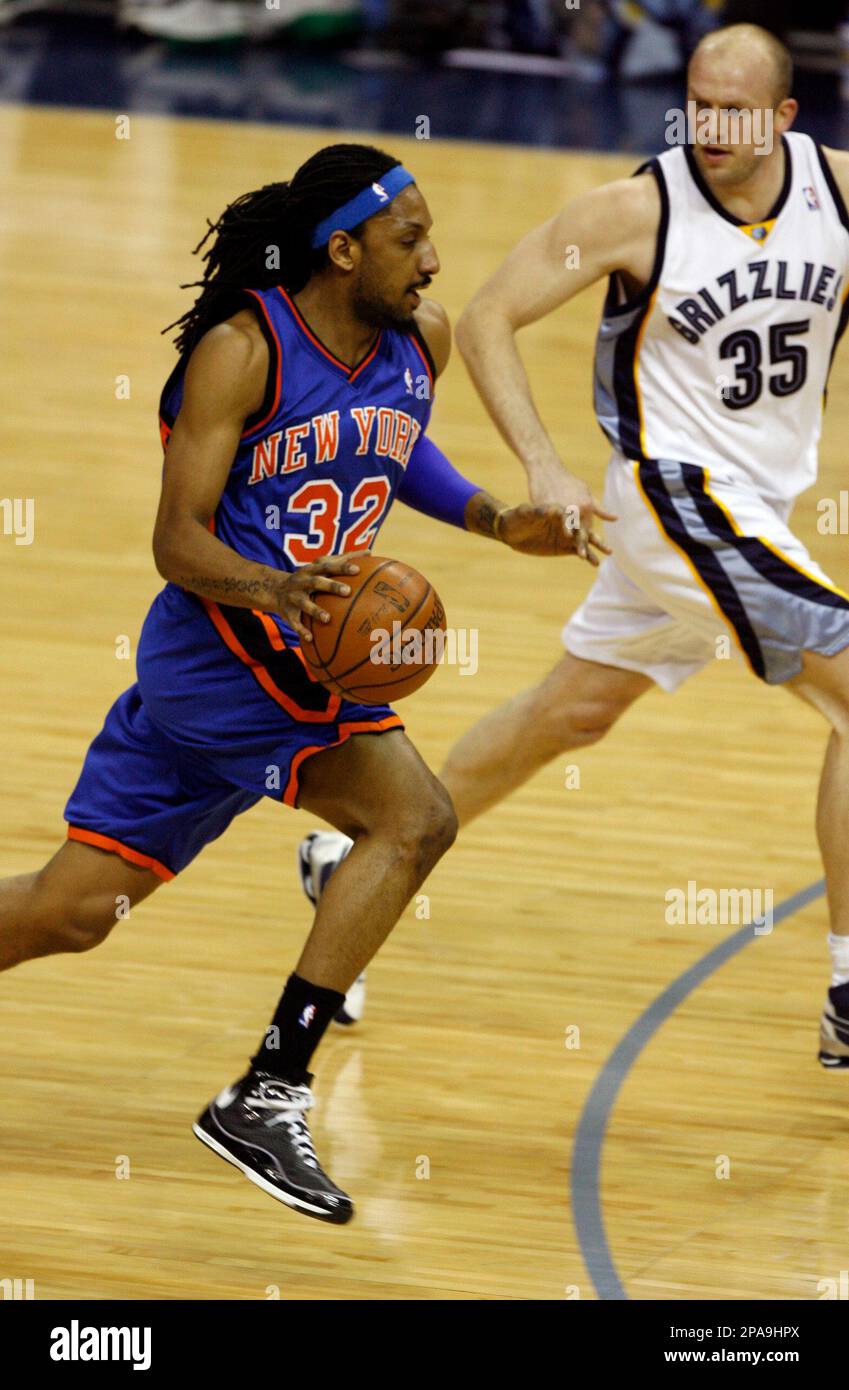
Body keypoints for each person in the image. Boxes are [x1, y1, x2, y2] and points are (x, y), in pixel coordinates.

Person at [0, 143, 599, 1225]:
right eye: (409, 239)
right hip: (224, 663)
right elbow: (176, 541)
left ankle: (264, 1084)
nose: (431, 260)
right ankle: (268, 1089)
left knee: (70, 911)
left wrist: (492, 519)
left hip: (295, 658)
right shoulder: (243, 350)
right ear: (342, 248)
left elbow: (399, 445)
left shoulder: (424, 338)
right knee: (413, 819)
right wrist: (273, 586)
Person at [303, 28, 849, 1074]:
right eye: (697, 103)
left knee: (572, 712)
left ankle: (348, 854)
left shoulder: (838, 196)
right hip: (668, 503)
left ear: (786, 118)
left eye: (737, 111)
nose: (711, 129)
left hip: (756, 516)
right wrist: (544, 468)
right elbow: (491, 316)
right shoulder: (635, 210)